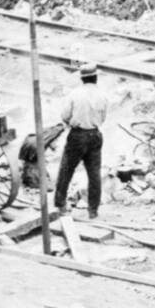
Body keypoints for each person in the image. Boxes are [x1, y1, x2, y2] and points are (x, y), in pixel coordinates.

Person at [53, 64, 108, 219]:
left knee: (66, 170)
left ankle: (60, 205)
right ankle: (93, 210)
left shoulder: (75, 94)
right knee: (94, 174)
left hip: (77, 136)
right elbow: (103, 118)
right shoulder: (102, 95)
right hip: (95, 135)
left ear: (82, 79)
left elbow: (64, 115)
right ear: (96, 77)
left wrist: (73, 122)